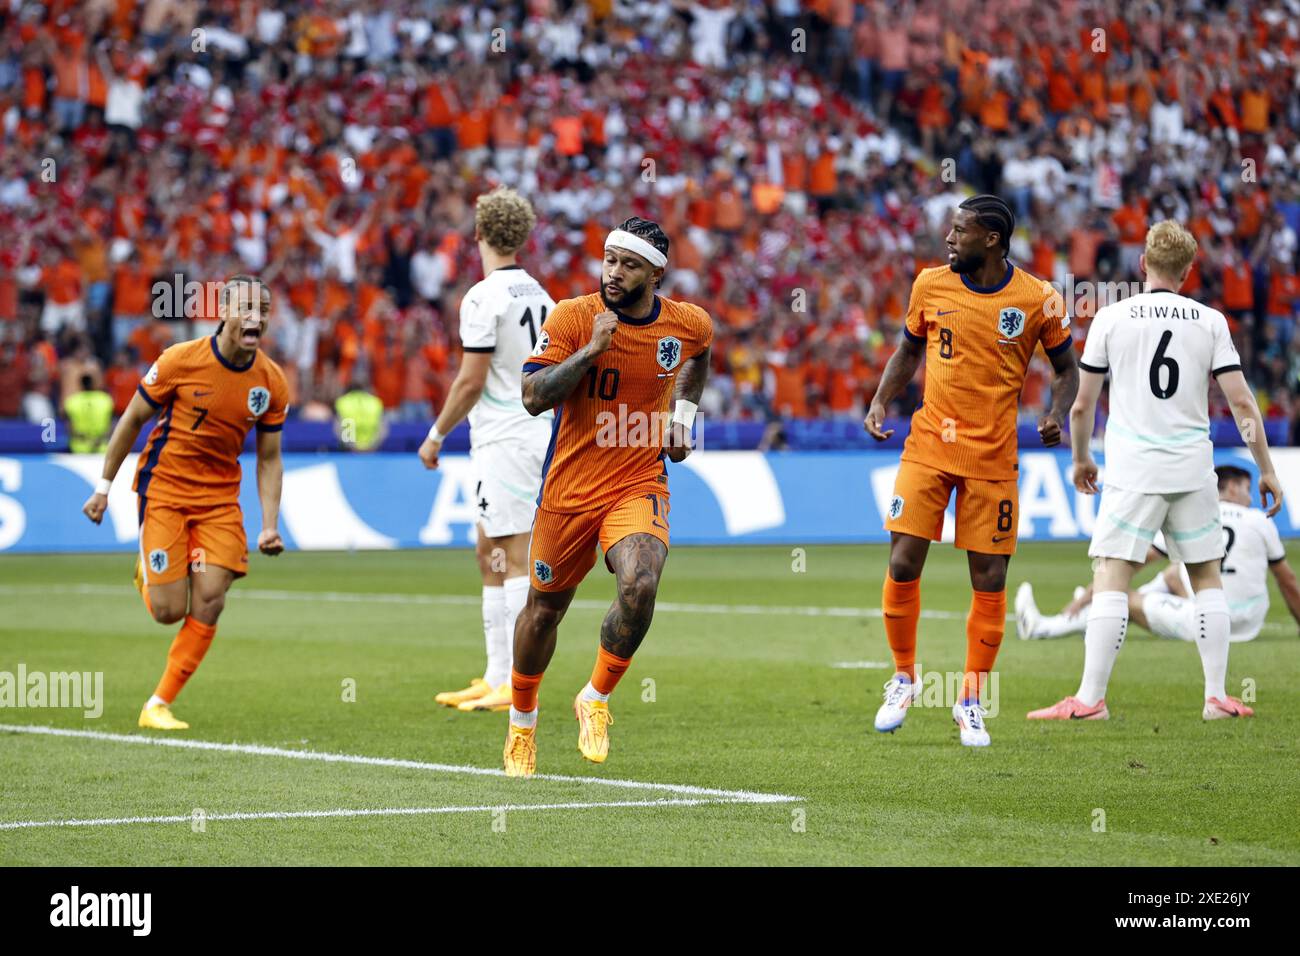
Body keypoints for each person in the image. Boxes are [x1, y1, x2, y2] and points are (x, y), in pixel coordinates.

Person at [1028, 222, 1284, 722]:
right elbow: (1241, 403)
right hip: (1192, 468)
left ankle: (1090, 699)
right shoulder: (1210, 322)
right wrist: (1267, 469)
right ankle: (1216, 697)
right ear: (1187, 273)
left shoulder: (1111, 318)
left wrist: (1081, 459)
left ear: (1142, 264)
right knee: (1206, 577)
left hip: (1134, 470)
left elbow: (1082, 406)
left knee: (1111, 575)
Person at [864, 194, 1079, 747]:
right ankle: (904, 677)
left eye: (960, 231)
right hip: (929, 445)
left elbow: (1066, 369)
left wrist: (1057, 414)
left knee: (989, 578)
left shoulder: (1037, 299)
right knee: (904, 558)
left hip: (993, 457)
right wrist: (881, 400)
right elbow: (907, 351)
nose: (949, 239)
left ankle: (970, 700)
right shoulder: (929, 284)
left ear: (992, 240)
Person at [502, 216, 713, 777]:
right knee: (544, 610)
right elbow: (531, 397)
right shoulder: (573, 317)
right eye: (609, 260)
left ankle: (595, 698)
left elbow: (702, 351)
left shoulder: (685, 324)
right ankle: (522, 725)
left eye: (629, 265)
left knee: (640, 584)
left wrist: (683, 417)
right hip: (569, 488)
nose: (613, 273)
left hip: (638, 479)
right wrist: (590, 352)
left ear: (656, 274)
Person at [81, 275, 289, 730]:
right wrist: (102, 488)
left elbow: (269, 458)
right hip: (167, 490)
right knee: (167, 611)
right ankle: (149, 573)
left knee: (211, 600)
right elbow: (134, 417)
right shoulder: (179, 360)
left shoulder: (271, 382)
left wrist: (269, 524)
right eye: (246, 308)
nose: (255, 317)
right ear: (224, 312)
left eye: (263, 309)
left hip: (218, 500)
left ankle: (157, 704)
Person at [419, 187, 555, 714]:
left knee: (514, 555)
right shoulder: (540, 294)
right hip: (521, 436)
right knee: (489, 550)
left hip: (506, 438)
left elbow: (470, 381)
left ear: (477, 234)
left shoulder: (482, 297)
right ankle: (496, 674)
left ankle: (516, 685)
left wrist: (435, 435)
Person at [1016, 465, 1300, 644]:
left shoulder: (1196, 516)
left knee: (1116, 597)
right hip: (1248, 622)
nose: (1250, 498)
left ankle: (1046, 627)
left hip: (1204, 621)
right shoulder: (1260, 520)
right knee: (1176, 573)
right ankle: (1097, 617)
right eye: (1247, 490)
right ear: (1233, 488)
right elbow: (1287, 580)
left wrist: (1089, 595)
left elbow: (1131, 563)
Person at [63, 373, 114, 452]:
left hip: (79, 447)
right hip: (101, 446)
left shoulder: (72, 400)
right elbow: (111, 425)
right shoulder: (105, 399)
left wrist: (86, 439)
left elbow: (69, 427)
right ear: (94, 384)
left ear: (81, 385)